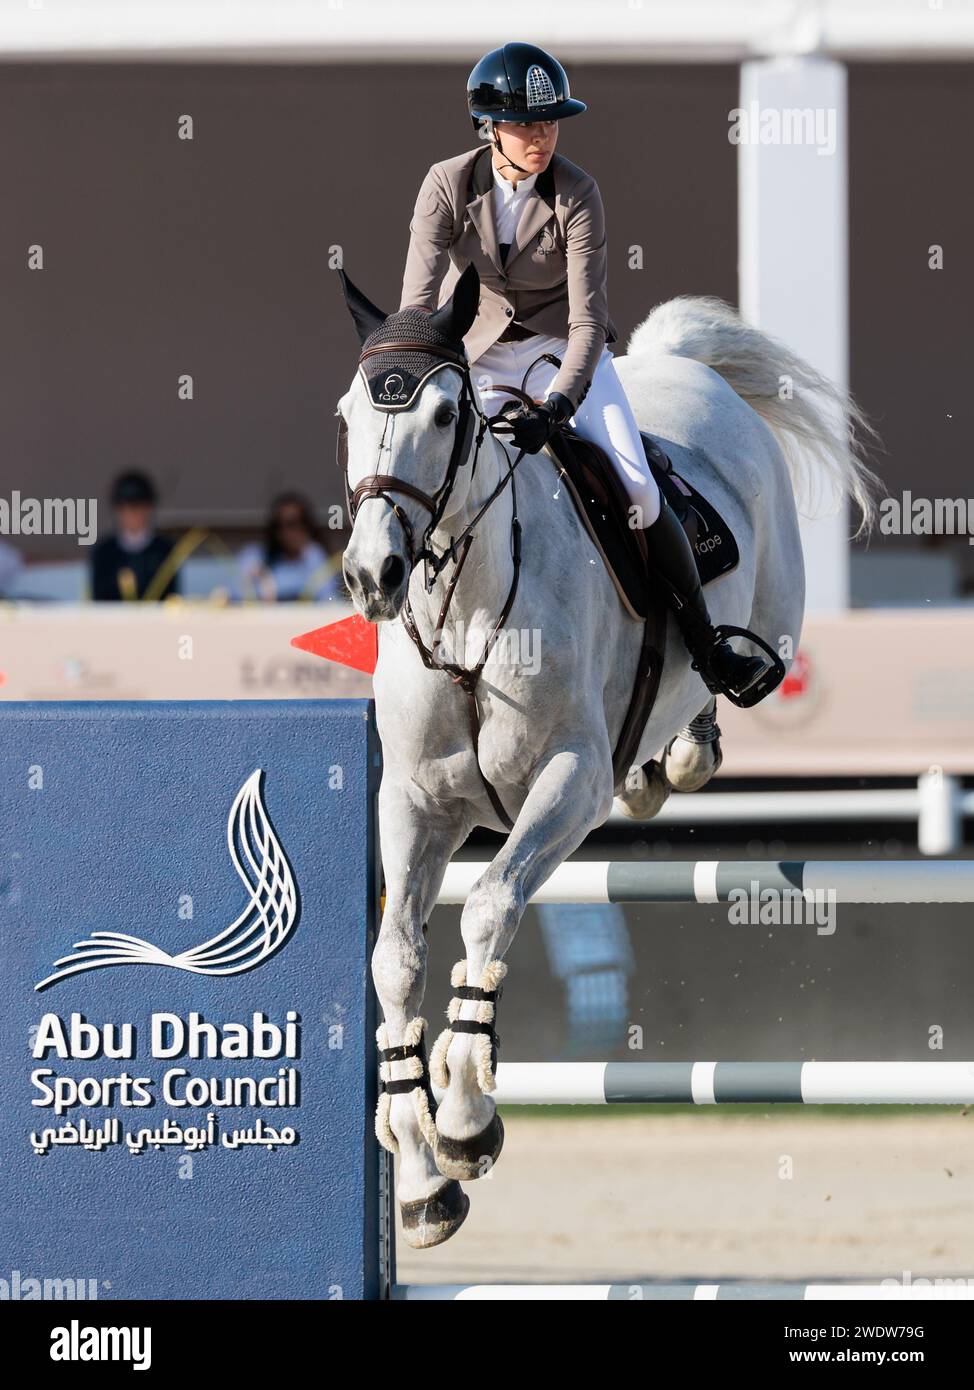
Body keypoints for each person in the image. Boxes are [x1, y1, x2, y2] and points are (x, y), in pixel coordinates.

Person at [398, 41, 773, 702]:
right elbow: (418, 306)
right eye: (525, 123)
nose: (541, 135)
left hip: (564, 355)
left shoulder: (577, 192)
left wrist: (557, 407)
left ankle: (705, 641)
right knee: (429, 473)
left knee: (640, 488)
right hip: (478, 360)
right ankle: (406, 625)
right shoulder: (445, 184)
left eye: (549, 121)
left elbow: (586, 320)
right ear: (490, 128)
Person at [91, 471, 179, 601]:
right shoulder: (103, 552)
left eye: (136, 507)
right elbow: (99, 601)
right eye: (123, 507)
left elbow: (171, 599)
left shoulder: (164, 551)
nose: (130, 514)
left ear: (149, 508)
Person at [234, 493, 340, 602]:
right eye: (278, 525)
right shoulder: (255, 554)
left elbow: (328, 598)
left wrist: (308, 550)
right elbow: (234, 593)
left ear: (306, 526)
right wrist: (263, 579)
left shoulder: (313, 555)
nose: (285, 532)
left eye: (292, 524)